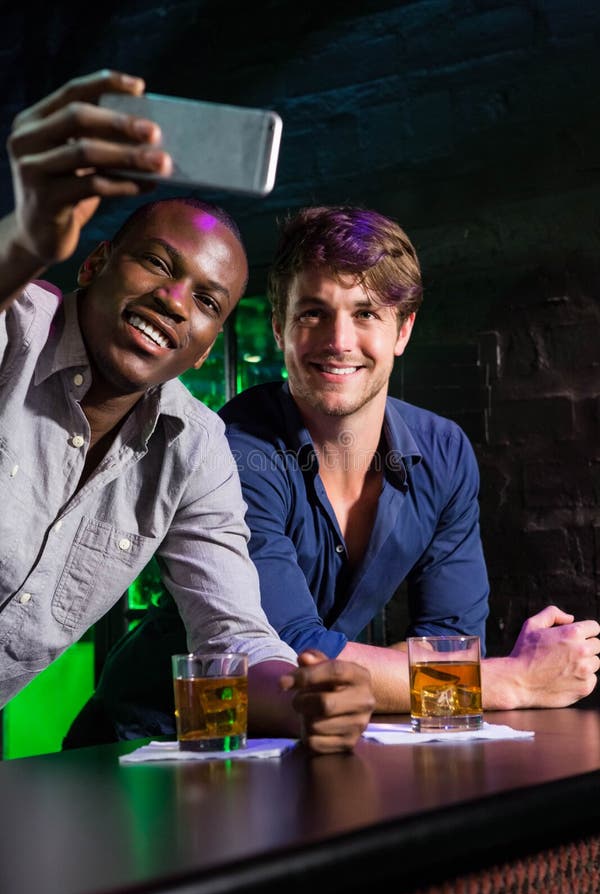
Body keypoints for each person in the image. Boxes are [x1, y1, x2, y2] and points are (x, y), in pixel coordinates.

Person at [67, 200, 600, 741]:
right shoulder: (236, 443)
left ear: (403, 331)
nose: (338, 341)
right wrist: (513, 682)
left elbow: (451, 642)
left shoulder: (443, 452)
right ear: (279, 328)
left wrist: (393, 675)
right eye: (313, 313)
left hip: (305, 736)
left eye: (366, 313)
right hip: (155, 732)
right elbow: (293, 647)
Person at [0, 69, 376, 754]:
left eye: (207, 302)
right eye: (155, 264)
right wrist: (25, 237)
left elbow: (233, 630)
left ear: (206, 350)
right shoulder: (15, 328)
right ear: (93, 266)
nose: (176, 301)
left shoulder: (196, 449)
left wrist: (304, 700)